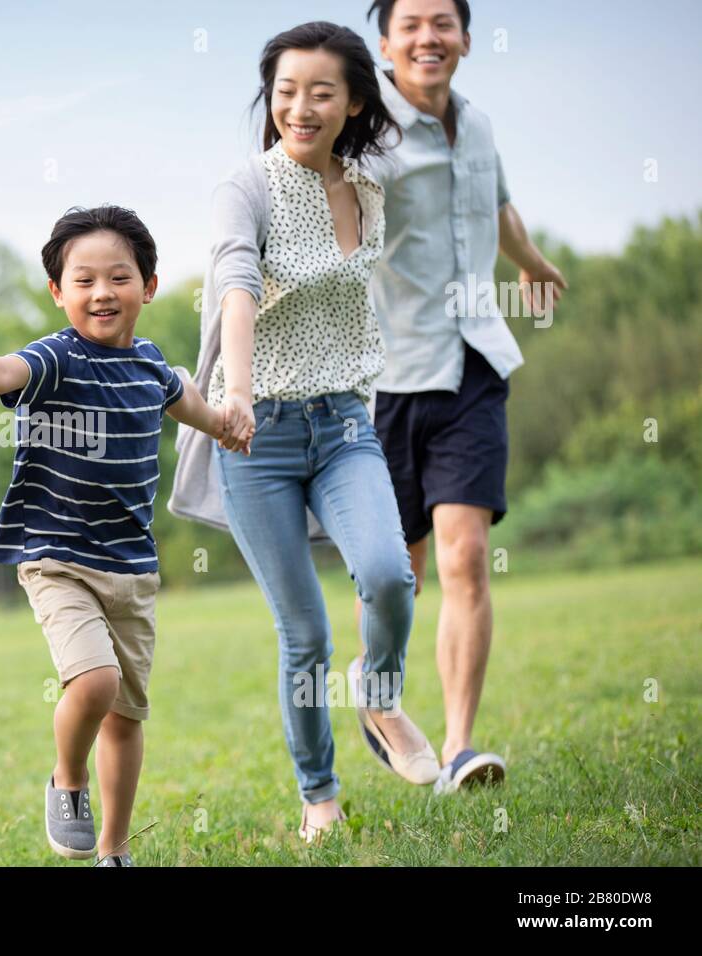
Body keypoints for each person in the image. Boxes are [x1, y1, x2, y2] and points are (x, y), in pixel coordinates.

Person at [174, 20, 440, 845]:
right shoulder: (244, 189)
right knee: (305, 632)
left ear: (353, 100)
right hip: (252, 433)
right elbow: (237, 286)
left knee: (391, 576)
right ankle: (319, 794)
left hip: (343, 419)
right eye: (286, 91)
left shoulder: (367, 187)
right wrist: (240, 394)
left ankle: (381, 692)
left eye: (321, 91)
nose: (301, 106)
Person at [0, 205, 228, 865]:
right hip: (57, 558)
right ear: (58, 292)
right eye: (83, 281)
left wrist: (227, 425)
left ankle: (113, 849)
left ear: (149, 284)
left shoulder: (151, 366)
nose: (102, 293)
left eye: (119, 277)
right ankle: (67, 778)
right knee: (94, 684)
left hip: (133, 567)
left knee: (127, 714)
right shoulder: (56, 359)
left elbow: (189, 400)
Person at [360, 0, 568, 793]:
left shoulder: (477, 125)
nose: (428, 37)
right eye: (410, 23)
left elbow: (498, 204)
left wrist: (534, 263)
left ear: (466, 40)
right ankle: (378, 698)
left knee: (467, 557)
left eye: (442, 22)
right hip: (385, 378)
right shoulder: (364, 129)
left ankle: (456, 749)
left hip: (475, 362)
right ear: (385, 43)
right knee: (393, 573)